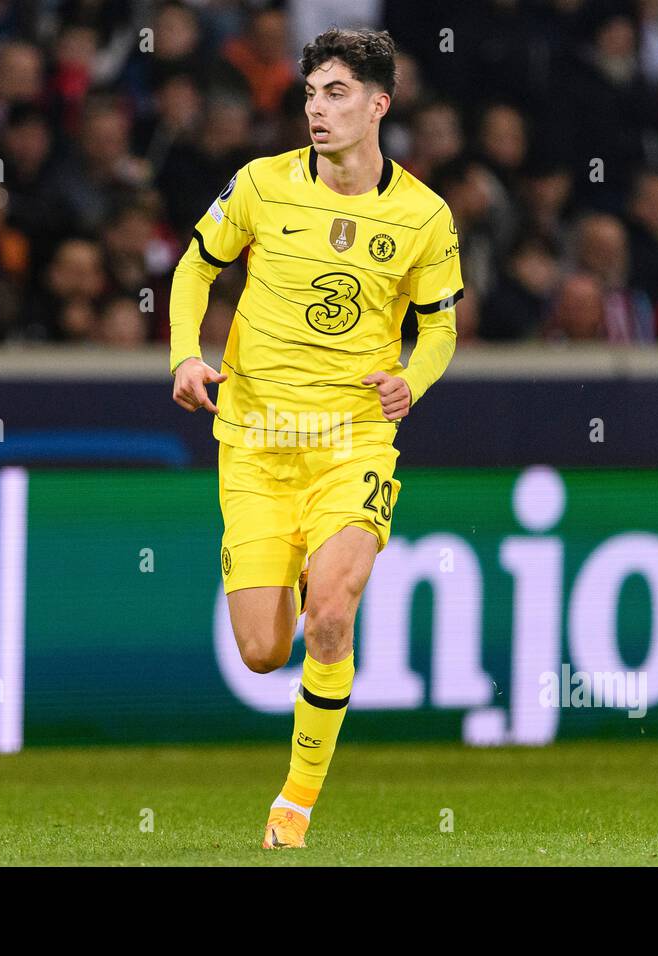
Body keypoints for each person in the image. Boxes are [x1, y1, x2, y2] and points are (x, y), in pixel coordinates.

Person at [168, 28, 462, 850]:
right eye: (309, 94)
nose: (317, 110)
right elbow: (196, 267)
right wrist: (185, 355)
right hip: (256, 440)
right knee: (264, 650)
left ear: (379, 104)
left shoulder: (423, 217)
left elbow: (440, 330)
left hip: (353, 440)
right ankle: (291, 555)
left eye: (335, 93)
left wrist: (416, 377)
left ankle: (292, 809)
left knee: (331, 612)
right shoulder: (262, 186)